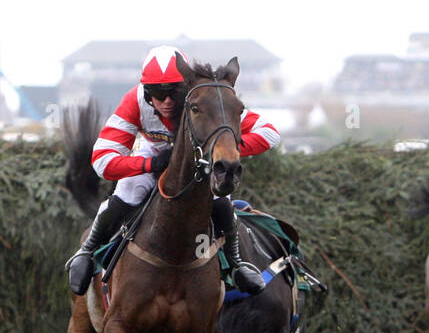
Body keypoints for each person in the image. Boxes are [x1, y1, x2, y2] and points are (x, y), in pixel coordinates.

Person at [65, 45, 281, 296]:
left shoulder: (203, 100)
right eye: (157, 92)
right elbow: (102, 161)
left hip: (195, 162)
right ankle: (88, 250)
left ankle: (235, 264)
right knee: (129, 191)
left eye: (174, 93)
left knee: (220, 199)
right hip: (152, 153)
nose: (167, 102)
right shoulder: (134, 101)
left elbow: (269, 133)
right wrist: (149, 164)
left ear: (186, 89)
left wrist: (220, 151)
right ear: (146, 91)